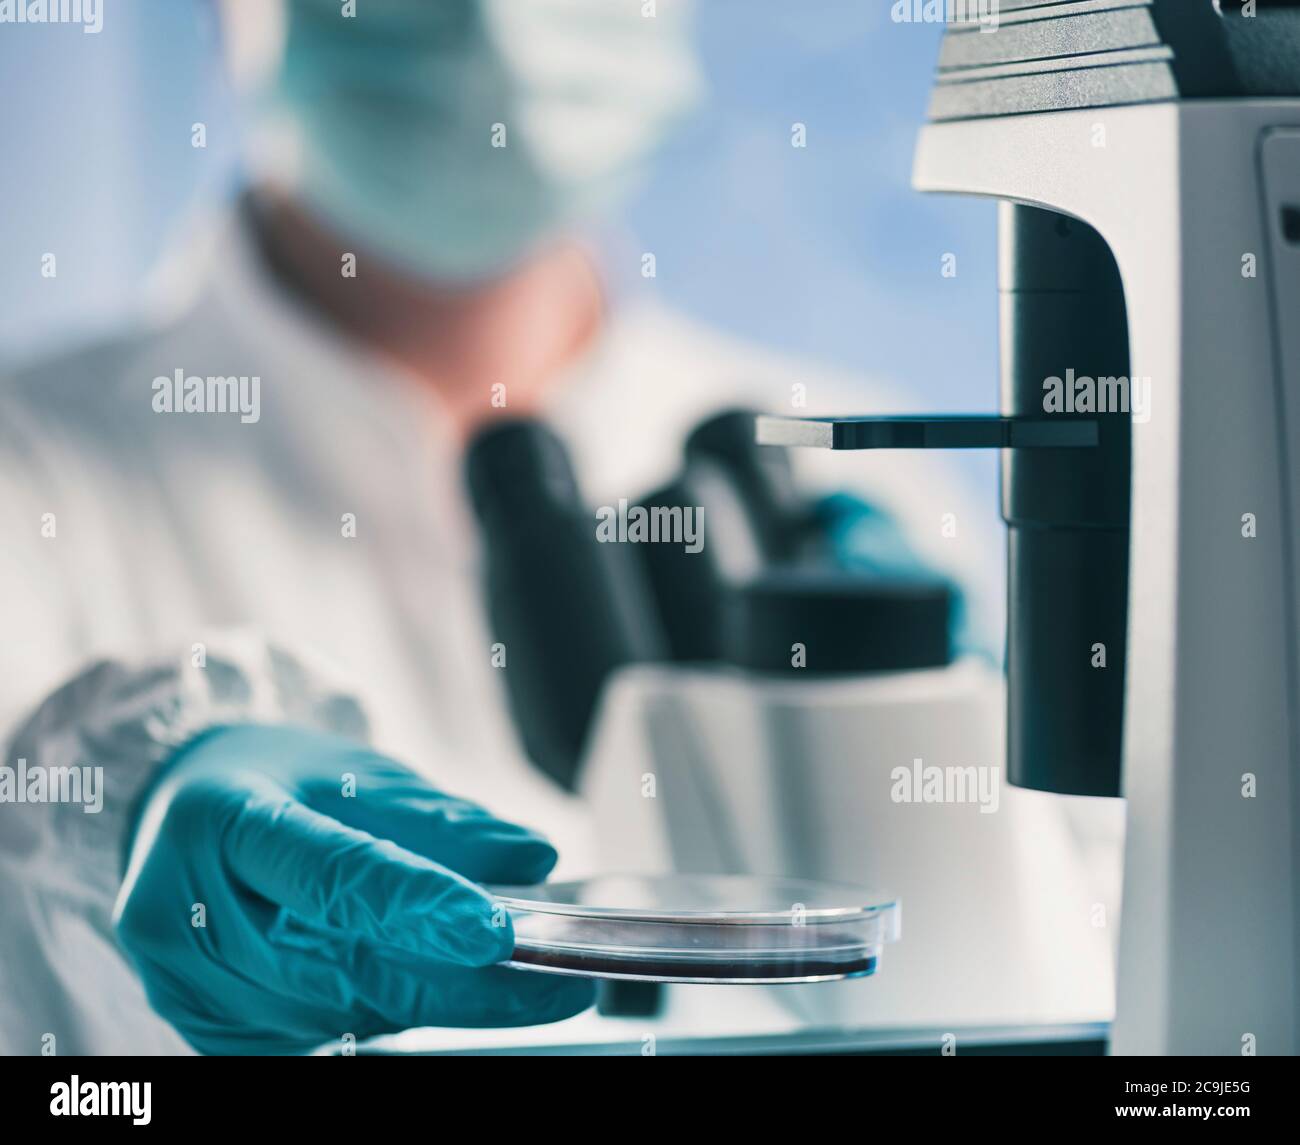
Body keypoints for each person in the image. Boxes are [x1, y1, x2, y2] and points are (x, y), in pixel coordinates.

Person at [0, 0, 997, 1054]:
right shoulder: (30, 473)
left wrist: (978, 805)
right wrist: (104, 821)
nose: (495, 22)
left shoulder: (859, 473)